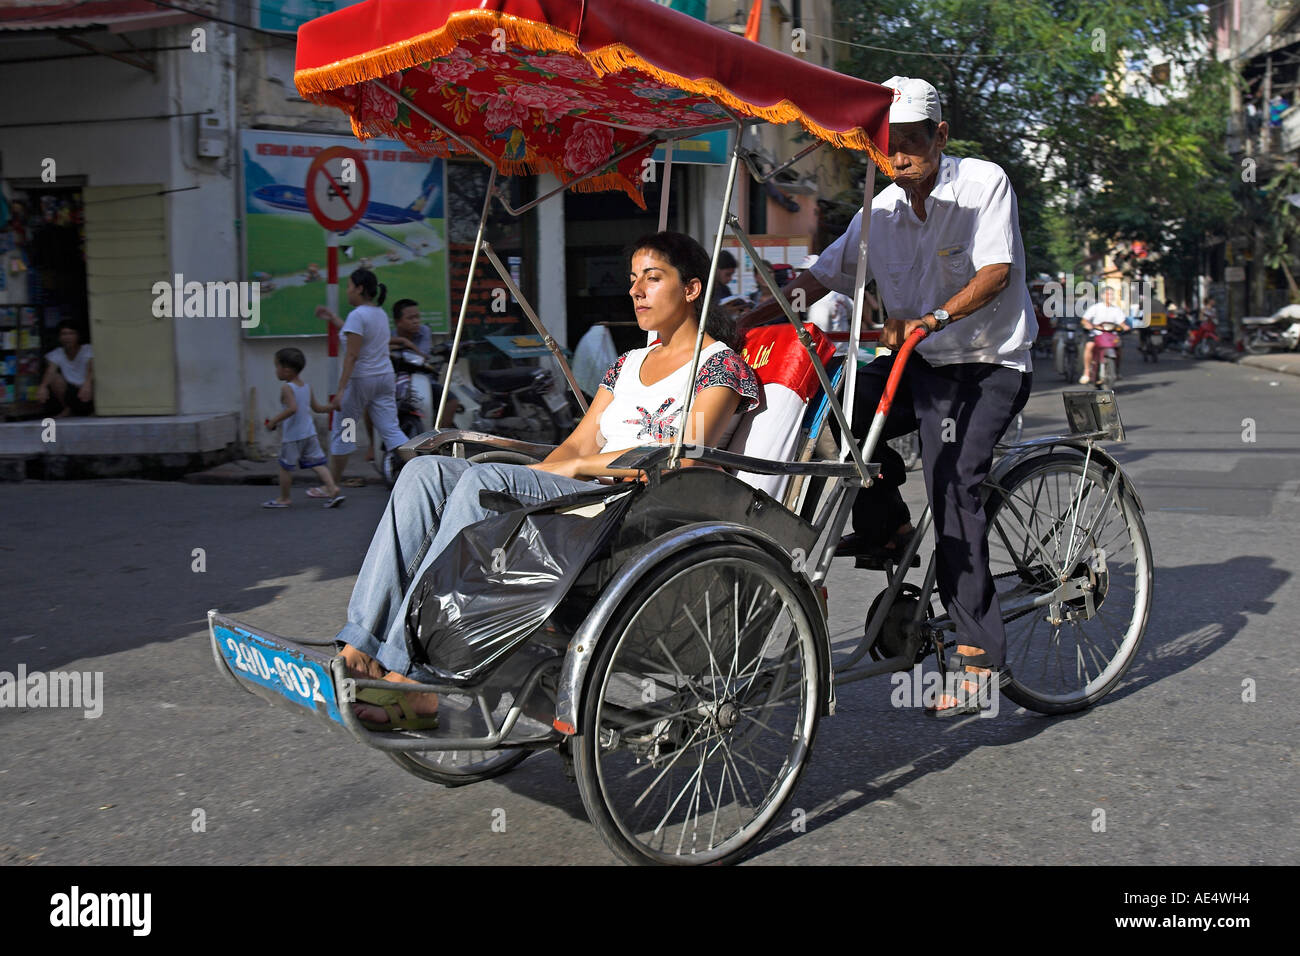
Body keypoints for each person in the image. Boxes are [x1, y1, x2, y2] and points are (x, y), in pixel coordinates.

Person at [337, 232, 761, 728]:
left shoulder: (720, 367)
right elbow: (578, 444)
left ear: (691, 289)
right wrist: (536, 475)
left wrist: (572, 470)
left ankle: (413, 674)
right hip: (580, 491)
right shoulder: (628, 363)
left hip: (632, 509)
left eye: (653, 278)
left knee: (483, 485)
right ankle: (361, 645)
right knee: (425, 473)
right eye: (632, 281)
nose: (637, 292)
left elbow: (682, 457)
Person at [738, 76, 1033, 717]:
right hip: (913, 362)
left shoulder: (983, 184)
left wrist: (931, 317)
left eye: (910, 144)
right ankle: (889, 529)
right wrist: (753, 315)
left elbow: (996, 270)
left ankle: (979, 657)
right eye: (885, 147)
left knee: (953, 484)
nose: (897, 158)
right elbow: (820, 275)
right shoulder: (880, 211)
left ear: (940, 137)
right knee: (831, 418)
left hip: (988, 365)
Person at [314, 269, 411, 485]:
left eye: (349, 286)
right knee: (391, 430)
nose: (347, 291)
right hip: (384, 379)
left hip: (361, 382)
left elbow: (352, 353)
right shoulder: (378, 313)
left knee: (345, 431)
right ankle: (427, 470)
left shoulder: (357, 315)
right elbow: (355, 336)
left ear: (359, 288)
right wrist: (332, 318)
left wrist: (340, 390)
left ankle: (332, 486)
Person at [262, 348, 345, 509]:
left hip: (293, 436)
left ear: (286, 370)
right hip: (309, 433)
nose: (276, 371)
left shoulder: (287, 388)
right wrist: (332, 407)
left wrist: (273, 421)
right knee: (317, 464)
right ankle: (332, 488)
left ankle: (284, 498)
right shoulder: (306, 386)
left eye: (277, 366)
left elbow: (292, 408)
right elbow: (317, 408)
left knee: (285, 467)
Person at [37, 321, 93, 417]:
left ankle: (95, 409)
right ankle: (68, 409)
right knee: (54, 378)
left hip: (89, 387)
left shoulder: (87, 349)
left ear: (78, 336)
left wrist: (87, 384)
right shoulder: (57, 353)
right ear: (59, 337)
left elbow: (91, 368)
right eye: (64, 334)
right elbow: (51, 371)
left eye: (71, 333)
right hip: (71, 391)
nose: (67, 337)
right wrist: (43, 386)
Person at [1079, 285, 1126, 384]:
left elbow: (1122, 323)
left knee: (1119, 347)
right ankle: (1086, 372)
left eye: (1111, 294)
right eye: (1107, 294)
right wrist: (1088, 325)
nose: (1110, 296)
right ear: (1102, 295)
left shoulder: (1116, 310)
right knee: (1089, 346)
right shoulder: (1095, 308)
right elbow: (1084, 320)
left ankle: (1116, 371)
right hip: (1096, 334)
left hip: (1112, 336)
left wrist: (1126, 327)